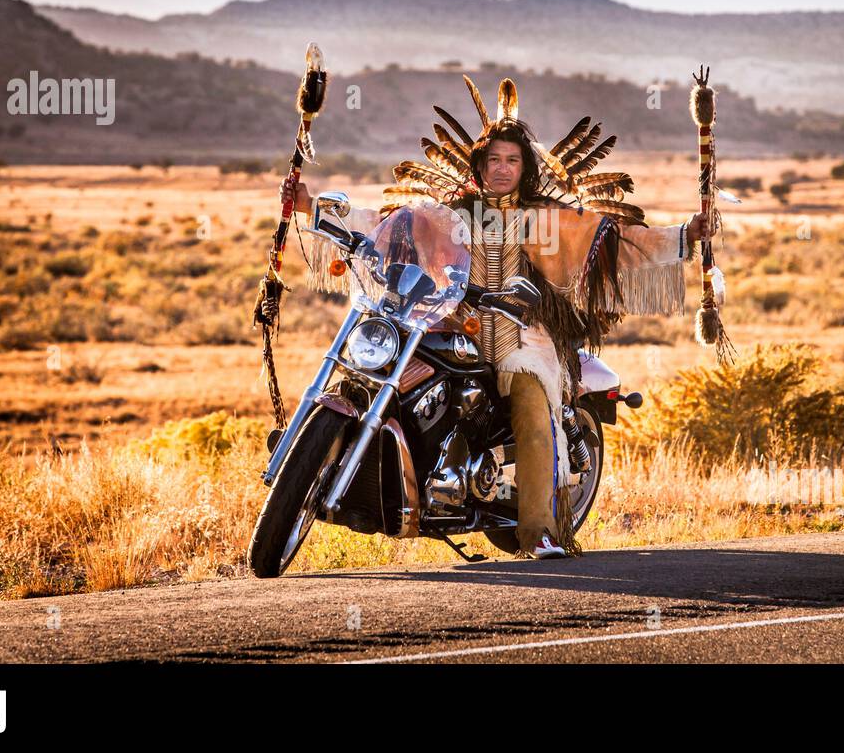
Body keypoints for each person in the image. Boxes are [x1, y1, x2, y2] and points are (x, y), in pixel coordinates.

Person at [282, 76, 709, 558]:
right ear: (479, 166)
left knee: (530, 405)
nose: (502, 169)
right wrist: (311, 207)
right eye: (494, 160)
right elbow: (381, 223)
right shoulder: (451, 214)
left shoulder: (546, 220)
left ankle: (540, 533)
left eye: (512, 160)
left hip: (521, 340)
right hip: (447, 326)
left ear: (524, 167)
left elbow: (620, 244)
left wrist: (684, 235)